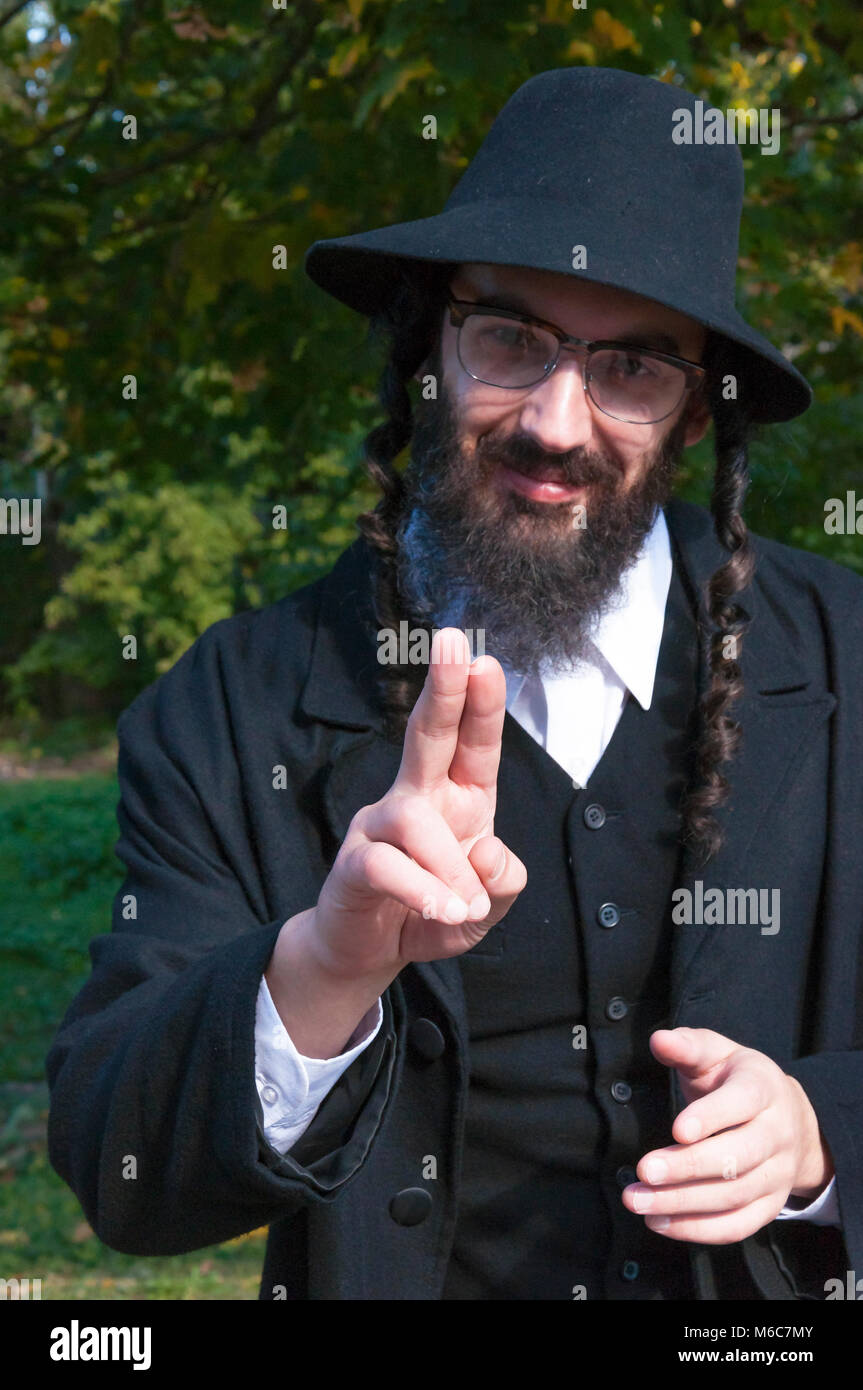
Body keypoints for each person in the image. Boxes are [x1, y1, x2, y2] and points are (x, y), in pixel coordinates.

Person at [46, 66, 862, 1301]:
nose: (555, 422)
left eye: (632, 368)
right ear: (427, 339)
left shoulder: (846, 656)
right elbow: (121, 1169)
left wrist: (818, 1136)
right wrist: (321, 967)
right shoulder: (231, 703)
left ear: (695, 413)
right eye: (510, 339)